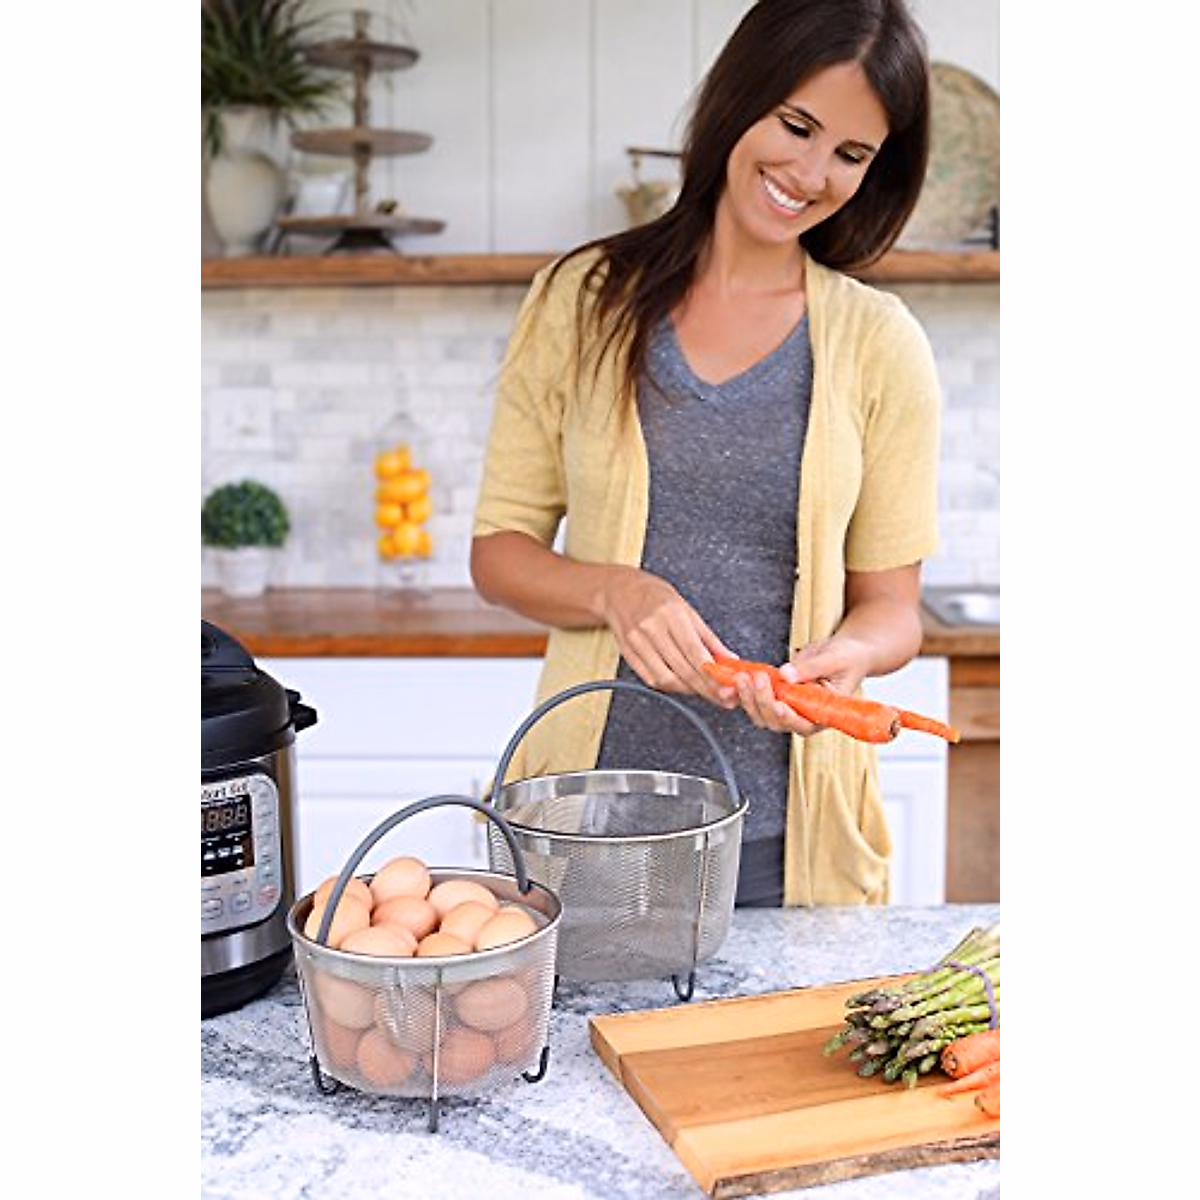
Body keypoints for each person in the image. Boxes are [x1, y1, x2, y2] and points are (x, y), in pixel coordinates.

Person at [470, 0, 941, 907]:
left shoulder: (881, 344)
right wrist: (617, 590)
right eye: (796, 126)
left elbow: (894, 609)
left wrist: (847, 654)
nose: (811, 174)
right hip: (581, 823)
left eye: (851, 154)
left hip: (782, 842)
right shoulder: (582, 299)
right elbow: (498, 554)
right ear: (740, 97)